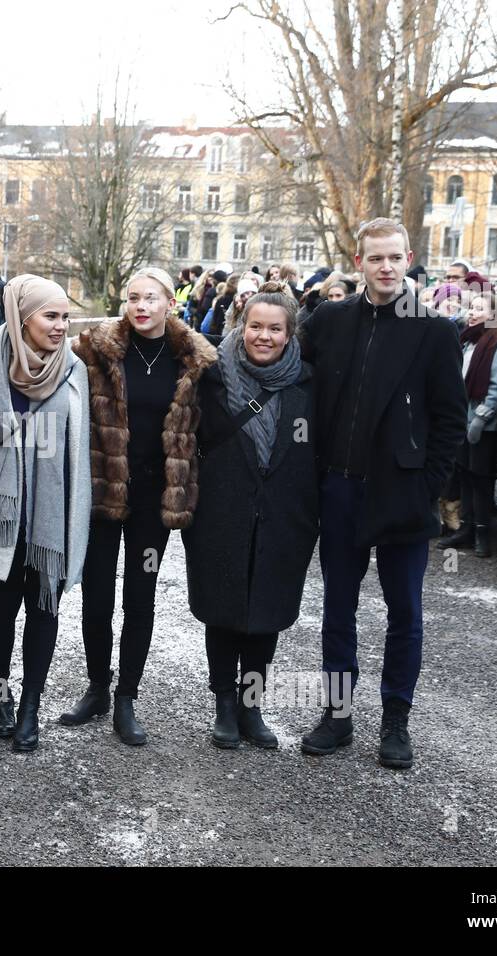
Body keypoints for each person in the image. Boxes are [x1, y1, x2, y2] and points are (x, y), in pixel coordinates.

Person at [298, 217, 466, 770]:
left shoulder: (435, 330)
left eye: (395, 258)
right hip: (340, 488)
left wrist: (427, 489)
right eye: (376, 258)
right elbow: (298, 387)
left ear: (410, 257)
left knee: (405, 612)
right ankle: (338, 715)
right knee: (338, 609)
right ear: (358, 260)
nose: (386, 267)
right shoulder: (330, 319)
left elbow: (449, 422)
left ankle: (396, 718)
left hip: (403, 493)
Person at [58, 267, 217, 745]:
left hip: (155, 498)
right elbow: (43, 373)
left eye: (151, 297)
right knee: (97, 593)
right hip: (104, 492)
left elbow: (216, 425)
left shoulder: (194, 359)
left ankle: (127, 696)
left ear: (171, 301)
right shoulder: (96, 350)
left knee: (140, 597)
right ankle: (97, 688)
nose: (141, 306)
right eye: (133, 298)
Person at [0, 274, 91, 752]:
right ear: (21, 318)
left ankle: (30, 709)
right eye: (51, 316)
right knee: (1, 610)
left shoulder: (73, 371)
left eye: (66, 317)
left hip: (52, 516)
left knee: (44, 608)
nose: (61, 326)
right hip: (2, 514)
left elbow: (79, 452)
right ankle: (0, 699)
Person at [186, 290, 317, 749]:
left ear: (289, 333)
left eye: (275, 328)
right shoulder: (211, 376)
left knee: (267, 613)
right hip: (220, 510)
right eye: (256, 326)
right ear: (241, 326)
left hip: (285, 515)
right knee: (222, 610)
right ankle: (224, 704)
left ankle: (251, 706)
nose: (264, 336)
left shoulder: (307, 383)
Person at [437, 291, 497, 558]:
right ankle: (467, 527)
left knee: (481, 480)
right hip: (462, 420)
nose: (471, 312)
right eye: (471, 307)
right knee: (465, 476)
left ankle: (482, 532)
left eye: (479, 308)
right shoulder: (469, 341)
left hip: (483, 425)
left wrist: (480, 419)